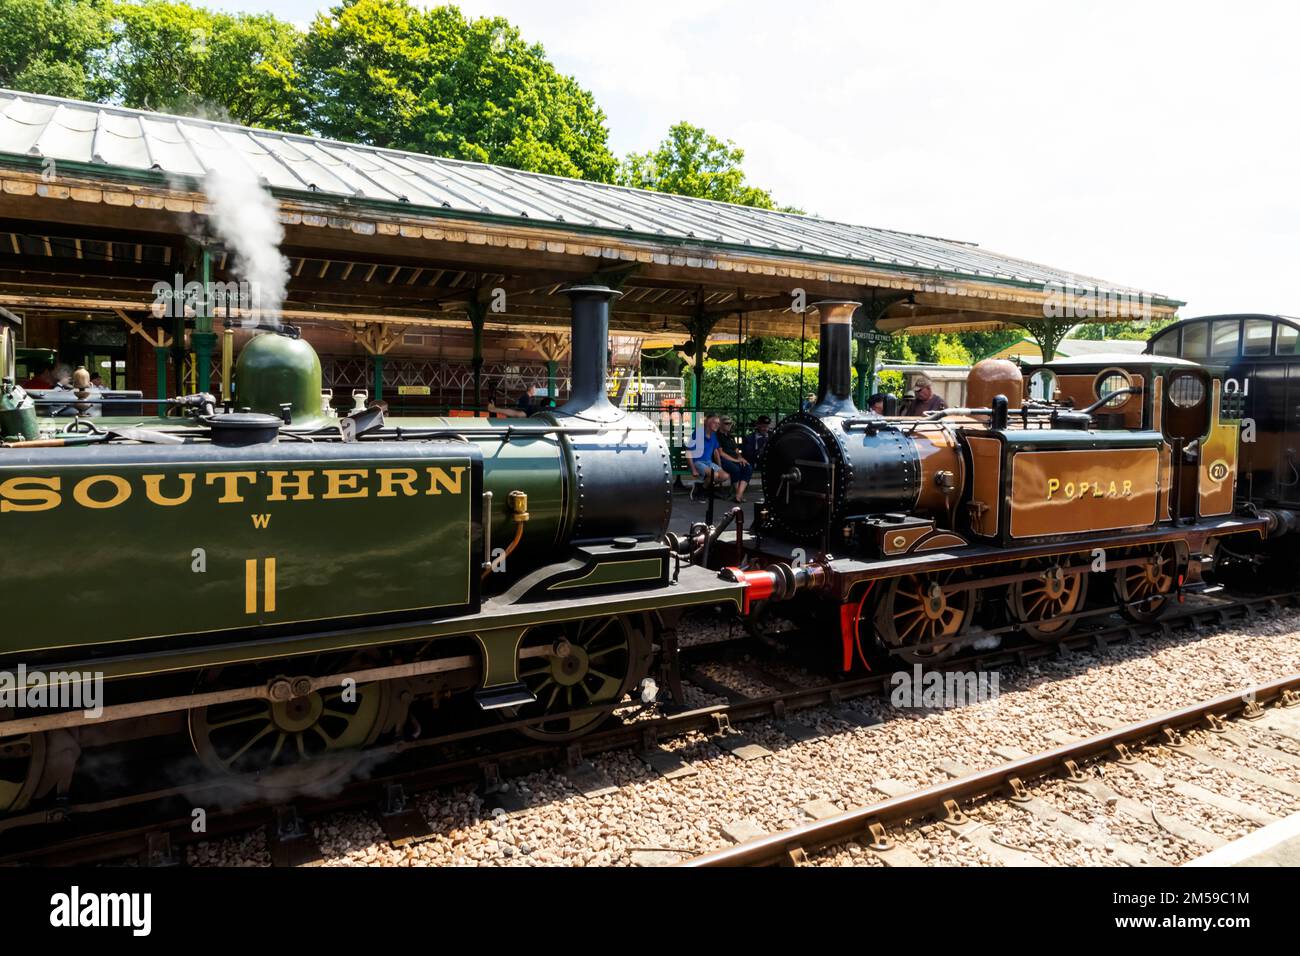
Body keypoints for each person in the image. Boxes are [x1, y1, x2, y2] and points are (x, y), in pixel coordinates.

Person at [688, 413, 728, 501]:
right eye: (715, 423)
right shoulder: (698, 433)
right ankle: (700, 492)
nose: (717, 425)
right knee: (715, 475)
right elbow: (688, 451)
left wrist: (720, 466)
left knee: (725, 476)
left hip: (708, 463)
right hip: (697, 462)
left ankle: (701, 486)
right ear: (708, 423)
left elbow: (715, 452)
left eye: (718, 423)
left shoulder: (713, 435)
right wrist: (693, 469)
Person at [716, 415, 753, 502]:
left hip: (734, 459)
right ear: (720, 424)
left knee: (748, 467)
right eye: (726, 423)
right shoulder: (717, 436)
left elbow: (736, 451)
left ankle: (739, 494)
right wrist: (736, 460)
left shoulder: (731, 436)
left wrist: (741, 458)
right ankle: (738, 495)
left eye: (730, 423)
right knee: (735, 469)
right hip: (723, 460)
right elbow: (721, 453)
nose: (729, 425)